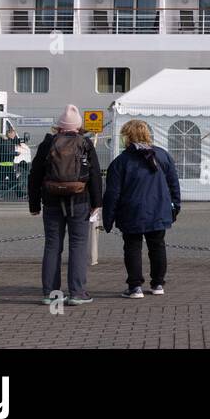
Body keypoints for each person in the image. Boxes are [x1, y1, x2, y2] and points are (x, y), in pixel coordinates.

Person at [28, 105, 102, 306]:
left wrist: (34, 204)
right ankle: (77, 292)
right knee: (78, 245)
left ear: (59, 126)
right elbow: (95, 175)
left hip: (51, 201)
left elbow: (35, 175)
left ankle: (51, 294)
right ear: (78, 126)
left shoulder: (48, 144)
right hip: (79, 200)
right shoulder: (85, 143)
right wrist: (97, 202)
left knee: (52, 245)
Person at [101, 119, 180, 299]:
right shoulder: (162, 156)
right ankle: (158, 283)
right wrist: (175, 208)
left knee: (132, 247)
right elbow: (174, 184)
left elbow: (112, 193)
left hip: (131, 211)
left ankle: (135, 286)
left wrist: (108, 218)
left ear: (127, 137)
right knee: (157, 246)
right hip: (159, 209)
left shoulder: (121, 161)